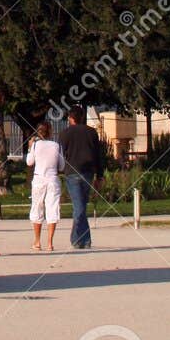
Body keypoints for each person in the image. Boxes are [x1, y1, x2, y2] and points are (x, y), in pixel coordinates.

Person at [58, 106, 105, 250]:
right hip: (87, 172)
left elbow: (60, 154)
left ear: (71, 118)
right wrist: (100, 175)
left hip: (72, 172)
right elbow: (98, 155)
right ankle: (83, 239)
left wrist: (58, 169)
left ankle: (79, 238)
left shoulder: (65, 134)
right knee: (80, 207)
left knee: (79, 208)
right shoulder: (92, 133)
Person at [27, 121, 65, 252]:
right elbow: (62, 166)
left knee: (37, 207)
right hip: (53, 178)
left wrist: (29, 148)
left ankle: (37, 241)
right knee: (52, 208)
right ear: (51, 132)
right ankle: (50, 242)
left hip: (39, 178)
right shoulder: (57, 146)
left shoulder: (36, 145)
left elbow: (29, 162)